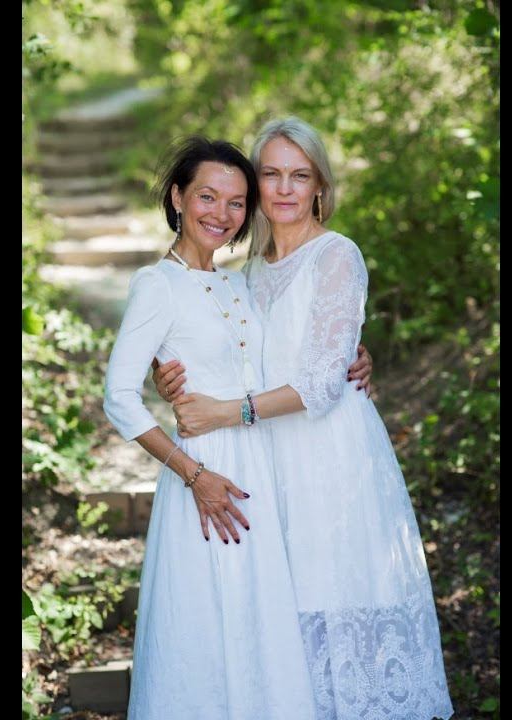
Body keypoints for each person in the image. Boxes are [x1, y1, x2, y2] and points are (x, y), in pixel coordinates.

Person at [155, 117, 454, 719]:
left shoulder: (337, 255)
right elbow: (226, 356)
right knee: (284, 619)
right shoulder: (247, 273)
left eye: (300, 175)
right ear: (255, 185)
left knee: (338, 596)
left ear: (320, 185)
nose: (285, 189)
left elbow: (320, 383)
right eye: (271, 174)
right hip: (266, 460)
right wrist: (173, 380)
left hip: (331, 458)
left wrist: (227, 412)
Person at [102, 137, 316, 719]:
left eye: (237, 202)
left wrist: (354, 355)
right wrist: (194, 475)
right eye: (207, 197)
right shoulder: (157, 284)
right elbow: (119, 398)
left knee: (261, 624)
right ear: (177, 197)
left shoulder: (241, 281)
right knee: (204, 628)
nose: (221, 214)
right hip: (205, 476)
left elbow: (284, 357)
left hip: (264, 468)